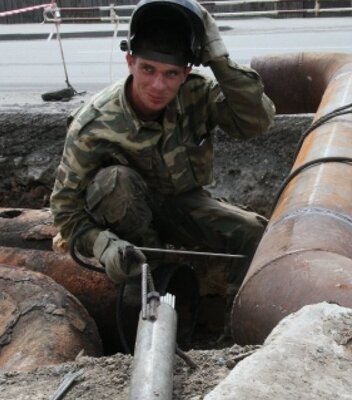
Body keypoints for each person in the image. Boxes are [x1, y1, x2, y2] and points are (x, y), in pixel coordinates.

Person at [50, 0, 275, 294]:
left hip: (180, 204)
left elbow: (256, 122)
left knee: (255, 233)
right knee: (116, 182)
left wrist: (219, 60)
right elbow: (65, 211)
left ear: (185, 73)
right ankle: (149, 279)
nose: (158, 86)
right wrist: (102, 245)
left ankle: (238, 319)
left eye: (171, 74)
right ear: (130, 62)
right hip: (124, 218)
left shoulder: (197, 94)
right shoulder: (93, 124)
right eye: (148, 69)